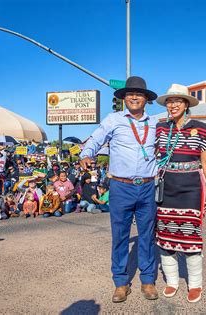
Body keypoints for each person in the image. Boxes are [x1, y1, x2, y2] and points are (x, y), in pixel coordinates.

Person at [79, 76, 159, 303]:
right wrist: (86, 154)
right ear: (124, 98)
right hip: (120, 187)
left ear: (146, 99)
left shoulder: (155, 124)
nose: (134, 97)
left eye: (139, 94)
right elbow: (95, 139)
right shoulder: (113, 120)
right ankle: (121, 283)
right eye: (130, 94)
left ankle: (148, 280)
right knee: (120, 236)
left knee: (147, 236)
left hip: (147, 186)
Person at [155, 83, 206, 303]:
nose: (173, 105)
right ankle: (172, 281)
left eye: (178, 101)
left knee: (191, 235)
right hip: (166, 186)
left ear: (186, 104)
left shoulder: (202, 129)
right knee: (165, 235)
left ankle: (195, 284)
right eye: (170, 101)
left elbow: (205, 162)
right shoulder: (160, 128)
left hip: (191, 186)